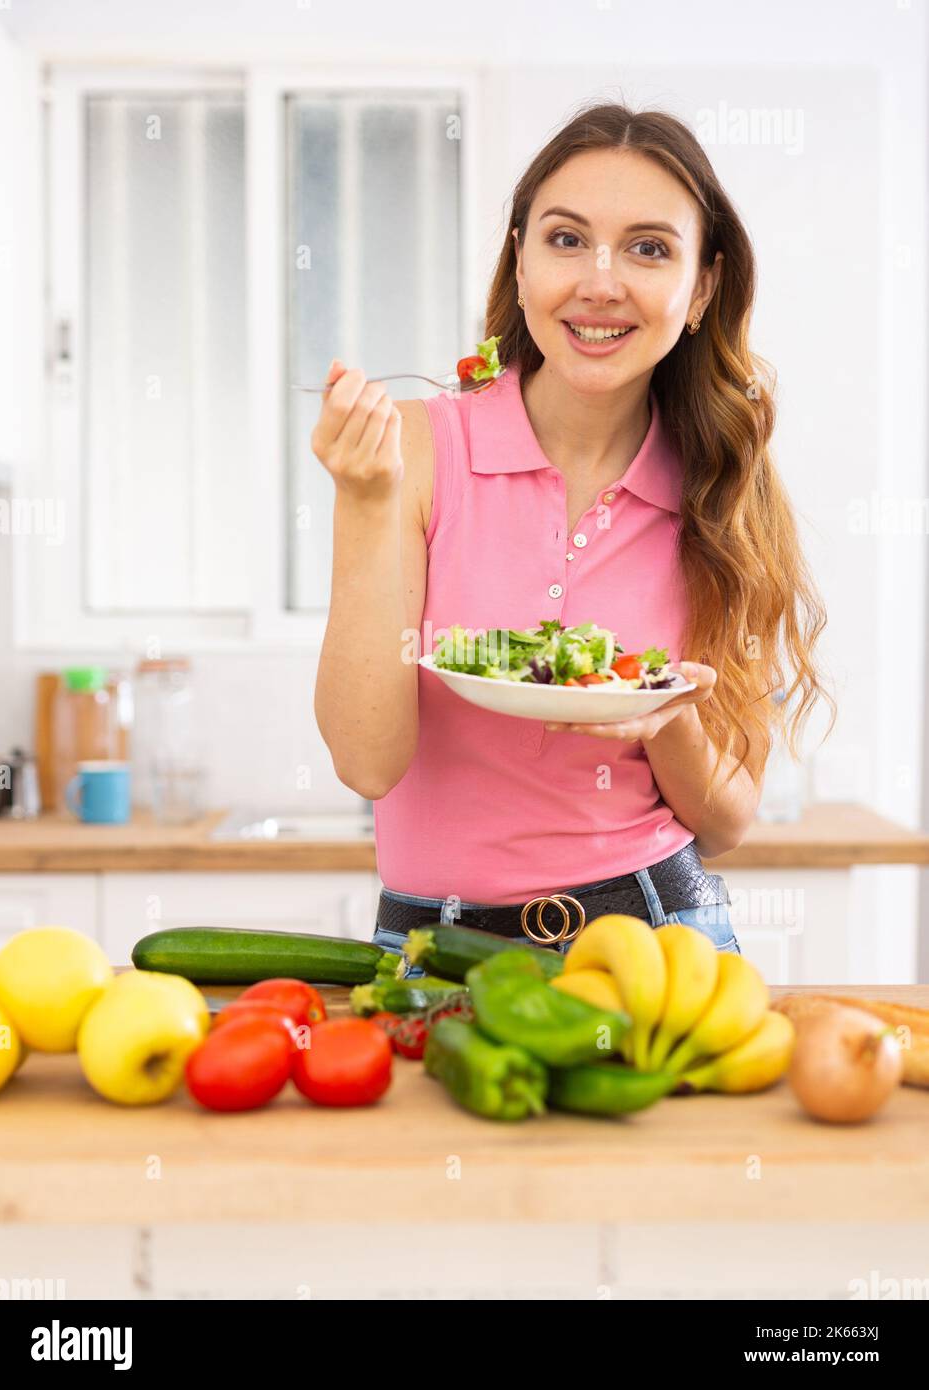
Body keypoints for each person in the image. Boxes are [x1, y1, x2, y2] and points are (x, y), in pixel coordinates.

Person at [312, 101, 835, 977]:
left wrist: (665, 720)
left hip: (658, 933)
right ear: (519, 260)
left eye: (648, 248)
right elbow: (367, 762)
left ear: (702, 288)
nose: (600, 282)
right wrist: (367, 502)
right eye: (565, 240)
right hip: (434, 949)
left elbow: (729, 820)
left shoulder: (725, 487)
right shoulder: (412, 448)